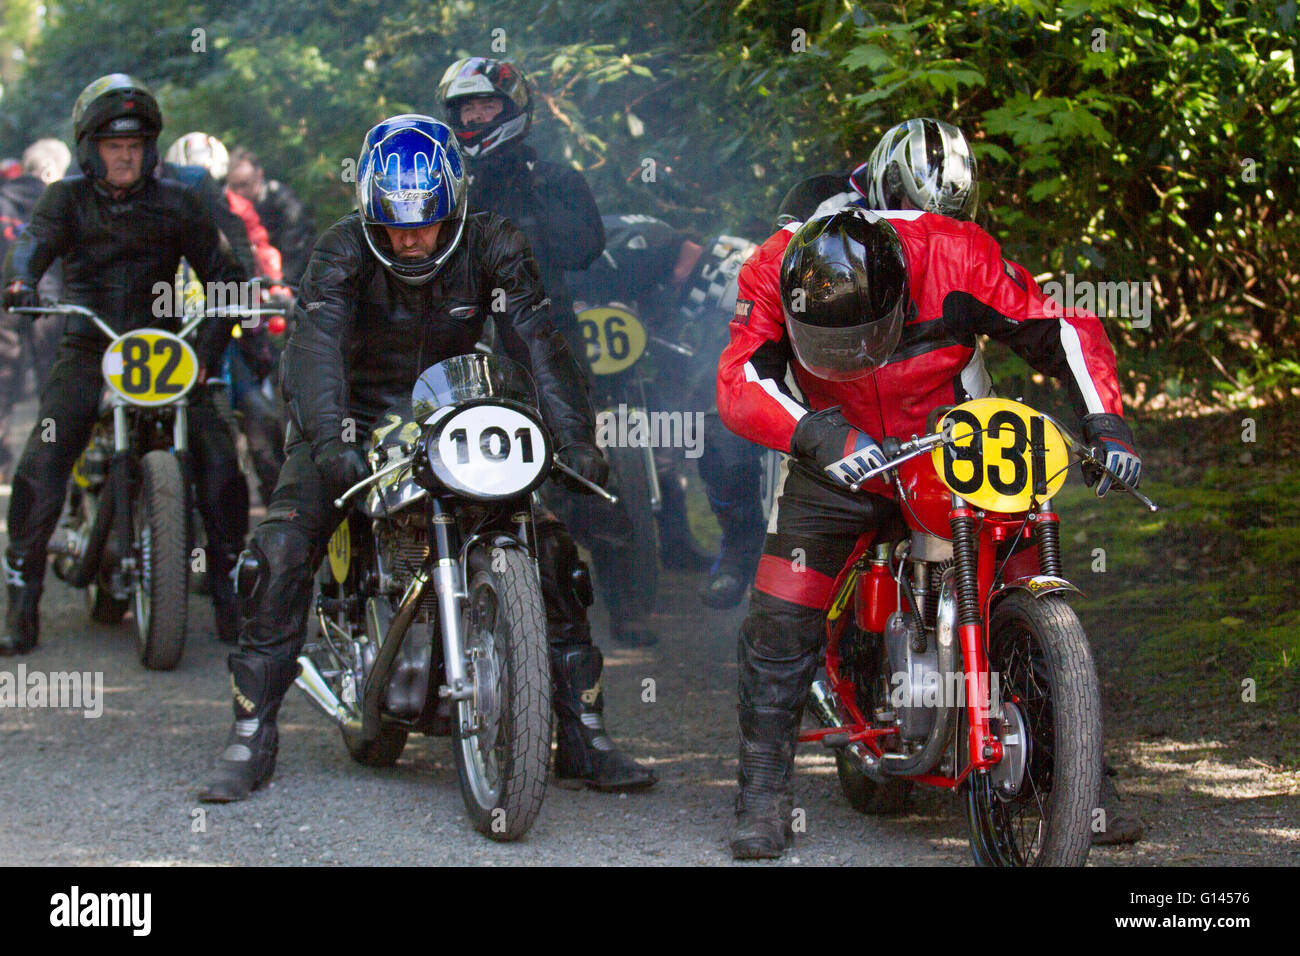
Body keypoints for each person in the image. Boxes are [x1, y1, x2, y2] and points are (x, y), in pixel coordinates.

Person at [198, 115, 655, 802]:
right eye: (394, 224)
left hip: (456, 411)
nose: (410, 238)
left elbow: (538, 341)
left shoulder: (497, 243)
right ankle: (250, 736)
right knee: (284, 548)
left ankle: (583, 733)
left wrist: (574, 440)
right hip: (348, 413)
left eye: (427, 221)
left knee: (552, 550)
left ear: (455, 206)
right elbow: (315, 349)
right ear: (369, 214)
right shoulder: (340, 251)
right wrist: (328, 441)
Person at [716, 205, 1142, 859]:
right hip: (836, 453)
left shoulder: (955, 253)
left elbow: (1060, 327)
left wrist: (1105, 421)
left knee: (1026, 570)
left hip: (952, 447)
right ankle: (763, 796)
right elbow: (740, 379)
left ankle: (1079, 779)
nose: (855, 353)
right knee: (780, 611)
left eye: (869, 332)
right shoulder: (770, 269)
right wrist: (818, 434)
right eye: (833, 341)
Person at [0, 74, 250, 655]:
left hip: (169, 348)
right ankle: (20, 600)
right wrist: (20, 279)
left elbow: (223, 272)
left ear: (150, 148)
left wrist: (211, 347)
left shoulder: (179, 201)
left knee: (219, 455)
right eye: (114, 146)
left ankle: (231, 595)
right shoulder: (65, 199)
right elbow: (34, 241)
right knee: (43, 458)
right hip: (91, 345)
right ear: (90, 148)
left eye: (135, 145)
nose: (125, 156)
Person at [438, 58, 663, 649]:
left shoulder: (554, 178)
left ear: (513, 109)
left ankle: (629, 606)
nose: (476, 116)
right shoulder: (446, 178)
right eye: (466, 108)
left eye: (486, 105)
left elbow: (584, 245)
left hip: (541, 333)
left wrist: (519, 198)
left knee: (579, 462)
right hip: (463, 331)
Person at [567, 214, 767, 607]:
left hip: (622, 349)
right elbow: (578, 275)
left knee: (668, 426)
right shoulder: (642, 248)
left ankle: (675, 545)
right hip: (581, 330)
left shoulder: (664, 259)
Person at [165, 131, 289, 506]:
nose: (200, 195)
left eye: (210, 186)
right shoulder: (150, 219)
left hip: (218, 340)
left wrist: (255, 315)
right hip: (159, 338)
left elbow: (243, 274)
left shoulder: (233, 220)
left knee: (261, 419)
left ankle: (278, 513)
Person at [0, 139, 72, 477]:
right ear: (48, 171)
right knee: (51, 383)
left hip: (5, 303)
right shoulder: (61, 202)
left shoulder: (1, 199)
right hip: (51, 303)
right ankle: (51, 450)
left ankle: (1, 459)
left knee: (3, 382)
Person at [225, 147, 316, 287]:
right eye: (234, 186)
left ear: (259, 175)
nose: (239, 192)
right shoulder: (225, 205)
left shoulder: (283, 202)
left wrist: (283, 286)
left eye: (244, 185)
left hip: (287, 280)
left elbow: (297, 250)